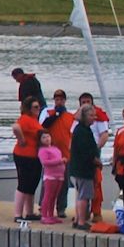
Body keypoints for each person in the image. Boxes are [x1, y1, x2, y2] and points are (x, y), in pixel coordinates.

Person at [42, 89, 77, 219]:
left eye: (61, 99)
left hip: (65, 155)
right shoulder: (47, 113)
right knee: (48, 182)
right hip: (51, 156)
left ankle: (61, 208)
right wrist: (56, 115)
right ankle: (43, 207)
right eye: (57, 99)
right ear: (54, 100)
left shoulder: (70, 116)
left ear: (65, 101)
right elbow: (43, 127)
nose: (59, 101)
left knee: (64, 183)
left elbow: (73, 134)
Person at [68, 106, 103, 230]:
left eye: (94, 115)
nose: (94, 118)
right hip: (83, 169)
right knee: (84, 196)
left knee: (79, 195)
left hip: (77, 168)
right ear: (84, 116)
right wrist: (96, 161)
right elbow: (86, 151)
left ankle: (78, 219)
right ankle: (81, 221)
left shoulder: (80, 129)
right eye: (91, 115)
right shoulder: (83, 132)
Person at [12, 96, 44, 221]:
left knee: (32, 184)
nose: (38, 109)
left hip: (35, 156)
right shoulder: (25, 119)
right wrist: (22, 140)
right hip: (24, 155)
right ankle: (18, 214)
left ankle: (29, 212)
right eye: (35, 107)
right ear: (29, 108)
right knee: (23, 184)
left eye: (38, 106)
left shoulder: (35, 120)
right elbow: (15, 127)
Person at [37, 132, 66, 225]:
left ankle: (51, 215)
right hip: (50, 176)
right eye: (44, 137)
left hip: (59, 175)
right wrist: (59, 161)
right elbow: (45, 162)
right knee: (48, 196)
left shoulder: (56, 149)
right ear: (40, 140)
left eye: (48, 136)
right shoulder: (42, 150)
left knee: (54, 196)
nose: (47, 139)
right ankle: (44, 216)